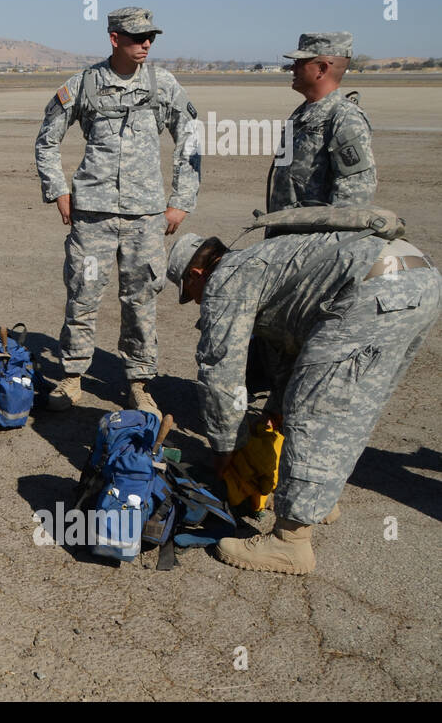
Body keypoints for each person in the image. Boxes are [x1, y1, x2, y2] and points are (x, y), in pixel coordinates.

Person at [166, 222, 439, 574]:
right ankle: (320, 500)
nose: (197, 303)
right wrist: (274, 413)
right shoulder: (261, 263)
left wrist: (225, 448)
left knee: (315, 408)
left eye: (191, 293)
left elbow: (221, 371)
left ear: (198, 273)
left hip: (374, 288)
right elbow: (289, 356)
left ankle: (290, 543)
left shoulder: (226, 280)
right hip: (419, 275)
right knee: (350, 404)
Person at [34, 7, 201, 414]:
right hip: (93, 216)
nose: (145, 44)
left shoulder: (163, 84)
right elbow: (46, 141)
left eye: (150, 38)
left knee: (141, 301)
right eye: (137, 38)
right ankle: (72, 376)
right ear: (114, 39)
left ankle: (139, 383)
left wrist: (180, 200)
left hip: (145, 219)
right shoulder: (85, 84)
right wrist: (58, 191)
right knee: (83, 295)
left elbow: (191, 141)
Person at [268, 32, 375, 212]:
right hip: (288, 231)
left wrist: (326, 239)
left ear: (322, 69)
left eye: (300, 63)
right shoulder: (302, 113)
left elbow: (354, 195)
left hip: (314, 236)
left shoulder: (344, 118)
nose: (292, 69)